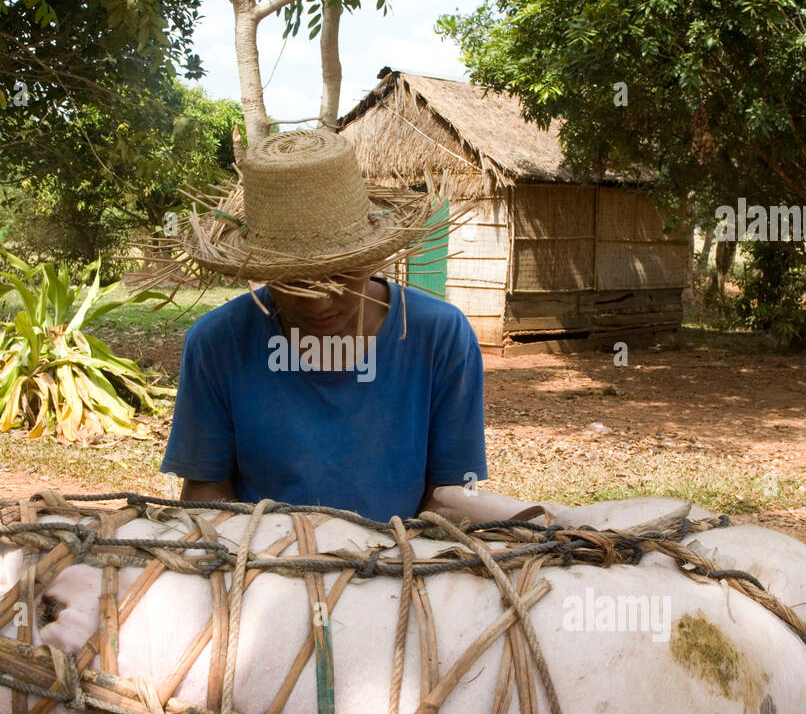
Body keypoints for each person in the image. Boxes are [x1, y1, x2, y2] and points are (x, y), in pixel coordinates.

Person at [155, 128, 537, 524]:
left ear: (373, 256)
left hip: (395, 566)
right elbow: (205, 489)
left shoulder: (438, 335)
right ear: (259, 269)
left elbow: (451, 494)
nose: (320, 302)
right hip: (261, 568)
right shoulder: (218, 342)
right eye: (292, 278)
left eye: (341, 273)